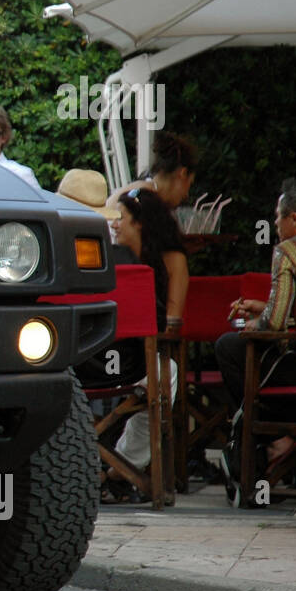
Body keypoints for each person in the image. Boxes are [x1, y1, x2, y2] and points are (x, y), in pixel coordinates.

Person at [216, 178, 296, 472]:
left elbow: (275, 321)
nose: (274, 224)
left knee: (228, 347)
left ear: (294, 219)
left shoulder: (289, 251)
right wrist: (263, 307)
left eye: (276, 217)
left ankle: (277, 434)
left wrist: (253, 322)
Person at [103, 188, 188, 501]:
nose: (113, 225)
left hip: (141, 356)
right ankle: (121, 471)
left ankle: (117, 470)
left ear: (139, 223)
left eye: (120, 218)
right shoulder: (106, 261)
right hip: (102, 359)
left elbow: (173, 322)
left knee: (166, 374)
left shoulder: (170, 260)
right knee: (166, 374)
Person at [107, 131, 198, 210]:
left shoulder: (147, 192)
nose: (186, 194)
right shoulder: (144, 196)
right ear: (183, 173)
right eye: (189, 183)